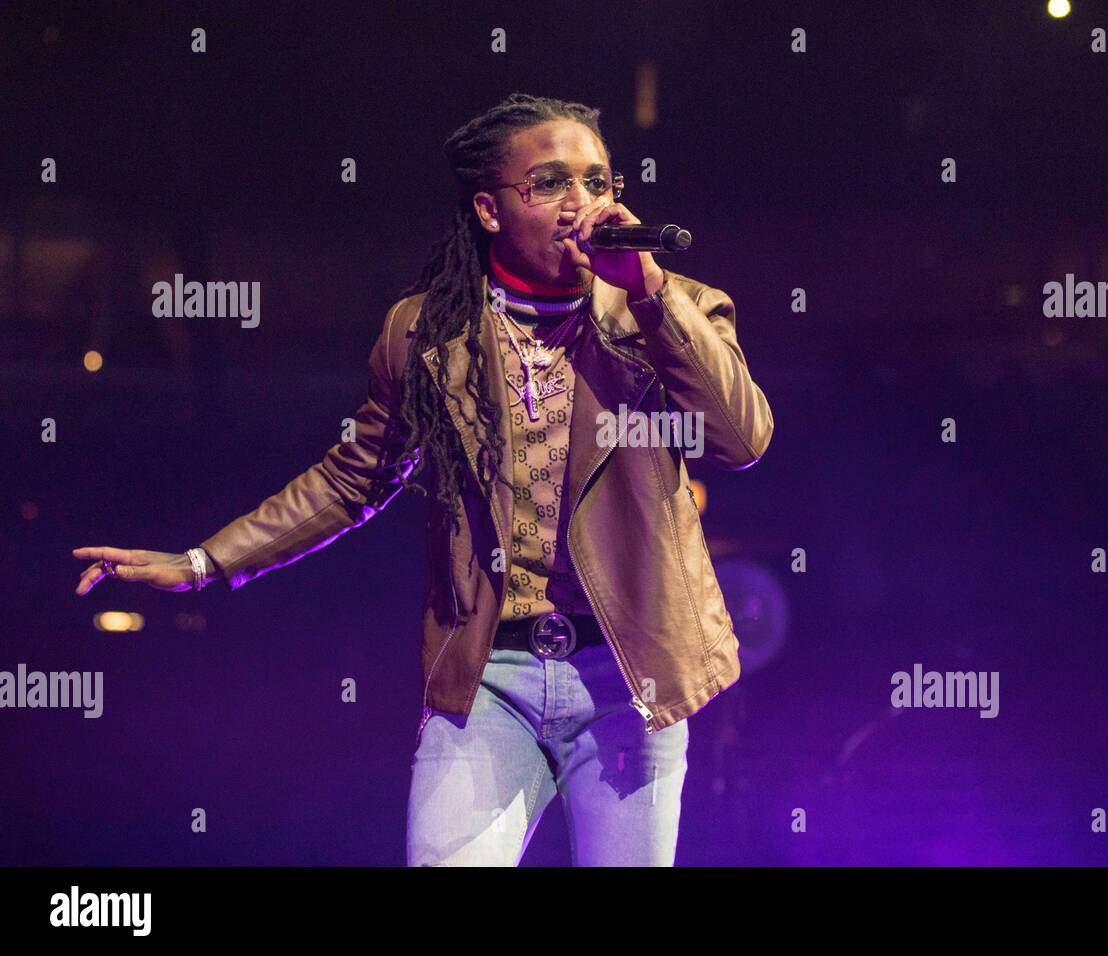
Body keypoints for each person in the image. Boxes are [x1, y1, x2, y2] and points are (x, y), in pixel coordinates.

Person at [72, 92, 774, 866]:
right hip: (488, 681)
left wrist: (646, 292)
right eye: (550, 183)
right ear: (489, 208)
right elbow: (354, 478)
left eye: (599, 181)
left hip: (628, 680)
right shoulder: (426, 331)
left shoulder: (671, 311)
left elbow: (742, 439)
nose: (583, 203)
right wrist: (204, 562)